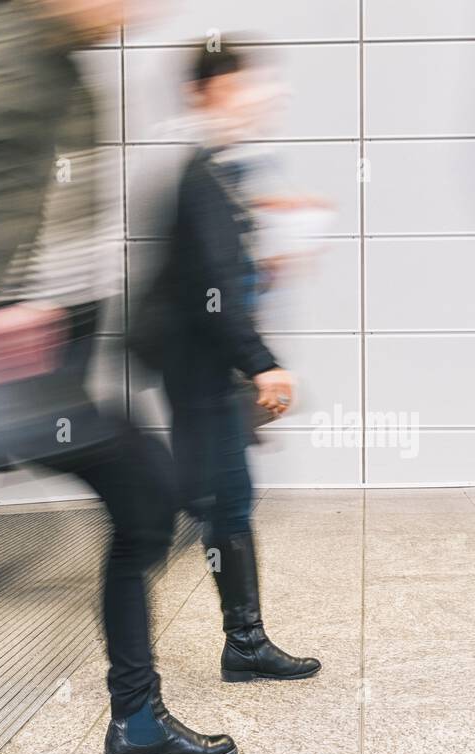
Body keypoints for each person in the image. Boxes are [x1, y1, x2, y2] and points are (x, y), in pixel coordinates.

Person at [0, 0, 237, 754]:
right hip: (24, 361)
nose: (132, 12)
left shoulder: (53, 57)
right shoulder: (24, 51)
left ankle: (134, 718)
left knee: (31, 547)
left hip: (49, 358)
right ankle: (135, 721)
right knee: (148, 501)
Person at [131, 41, 321, 683]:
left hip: (201, 364)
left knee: (224, 498)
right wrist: (262, 361)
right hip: (198, 363)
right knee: (224, 500)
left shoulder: (220, 173)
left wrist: (268, 255)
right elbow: (210, 286)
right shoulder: (202, 174)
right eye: (251, 86)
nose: (269, 97)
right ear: (210, 94)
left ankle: (244, 639)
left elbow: (220, 275)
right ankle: (243, 642)